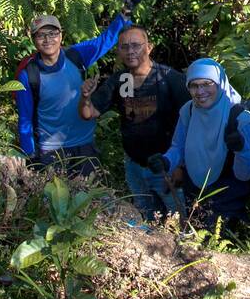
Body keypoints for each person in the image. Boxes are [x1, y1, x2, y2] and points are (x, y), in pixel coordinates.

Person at [15, 0, 138, 178]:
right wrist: (30, 154)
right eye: (41, 36)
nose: (48, 40)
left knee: (88, 203)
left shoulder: (75, 56)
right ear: (34, 40)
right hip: (50, 152)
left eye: (52, 33)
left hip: (84, 146)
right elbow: (25, 119)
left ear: (61, 36)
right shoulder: (29, 75)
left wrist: (126, 13)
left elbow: (104, 41)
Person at [78, 25, 190, 220]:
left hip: (166, 166)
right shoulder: (120, 80)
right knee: (145, 219)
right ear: (119, 51)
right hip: (134, 166)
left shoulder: (169, 78)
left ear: (149, 47)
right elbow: (88, 113)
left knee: (178, 221)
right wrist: (85, 96)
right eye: (124, 47)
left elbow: (191, 122)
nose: (130, 51)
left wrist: (181, 166)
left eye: (136, 45)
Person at [149, 58, 250, 226]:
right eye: (194, 85)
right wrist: (166, 161)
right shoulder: (189, 110)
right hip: (194, 195)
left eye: (207, 84)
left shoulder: (240, 119)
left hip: (228, 201)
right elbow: (178, 147)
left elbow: (246, 173)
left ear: (220, 83)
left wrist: (240, 148)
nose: (200, 92)